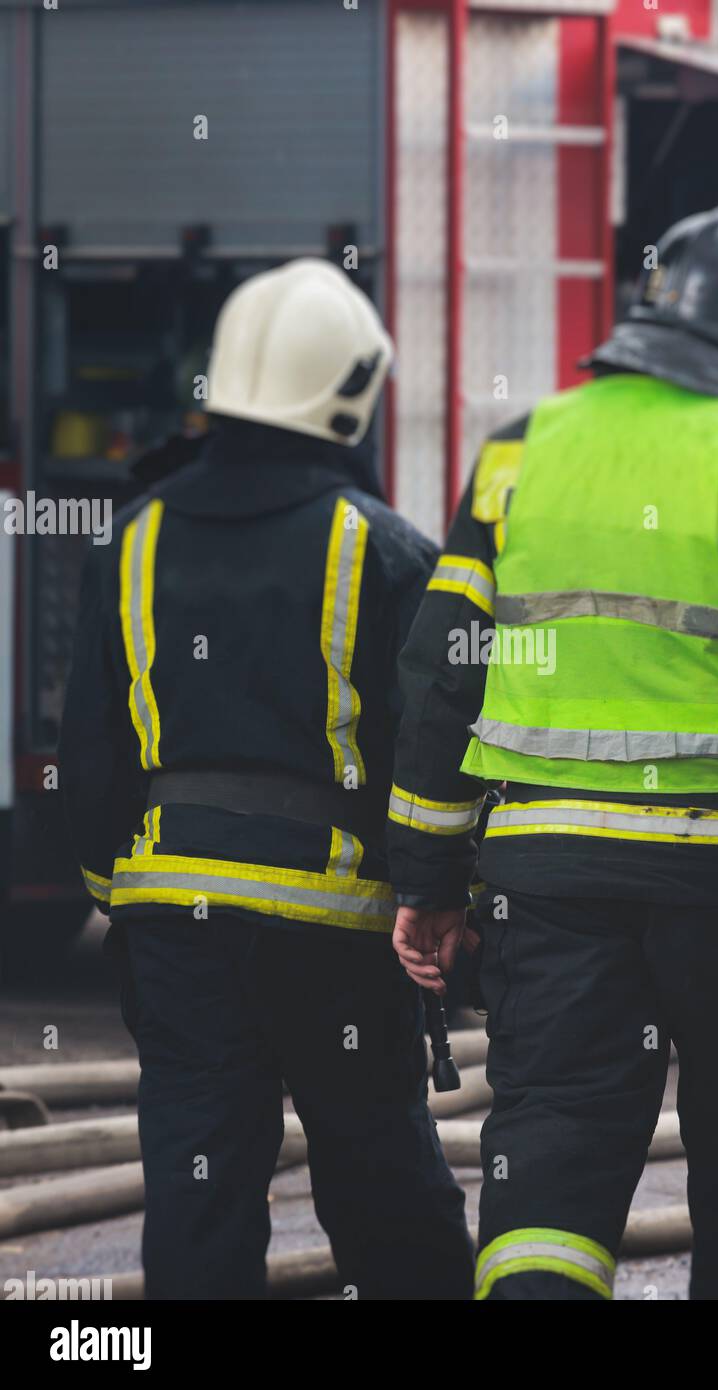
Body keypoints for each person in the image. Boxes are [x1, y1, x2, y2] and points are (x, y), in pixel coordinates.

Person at [388, 205, 718, 1301]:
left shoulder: (517, 454)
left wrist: (426, 879)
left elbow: (443, 673)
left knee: (547, 1160)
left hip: (548, 882)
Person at [59, 258, 473, 1301]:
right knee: (384, 1186)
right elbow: (431, 756)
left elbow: (93, 758)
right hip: (335, 932)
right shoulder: (383, 551)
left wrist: (121, 906)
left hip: (174, 933)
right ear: (349, 390)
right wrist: (437, 902)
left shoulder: (133, 535)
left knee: (198, 1201)